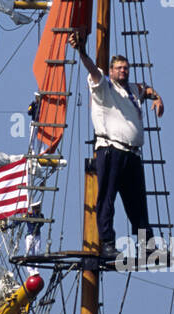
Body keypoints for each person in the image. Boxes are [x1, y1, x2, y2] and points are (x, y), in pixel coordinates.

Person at [68, 30, 164, 258]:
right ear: (111, 71)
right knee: (107, 199)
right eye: (119, 68)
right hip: (111, 150)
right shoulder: (104, 87)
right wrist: (81, 51)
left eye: (126, 68)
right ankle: (107, 244)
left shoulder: (132, 90)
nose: (123, 71)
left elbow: (146, 89)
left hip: (132, 155)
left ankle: (147, 247)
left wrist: (158, 97)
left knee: (138, 204)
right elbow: (92, 69)